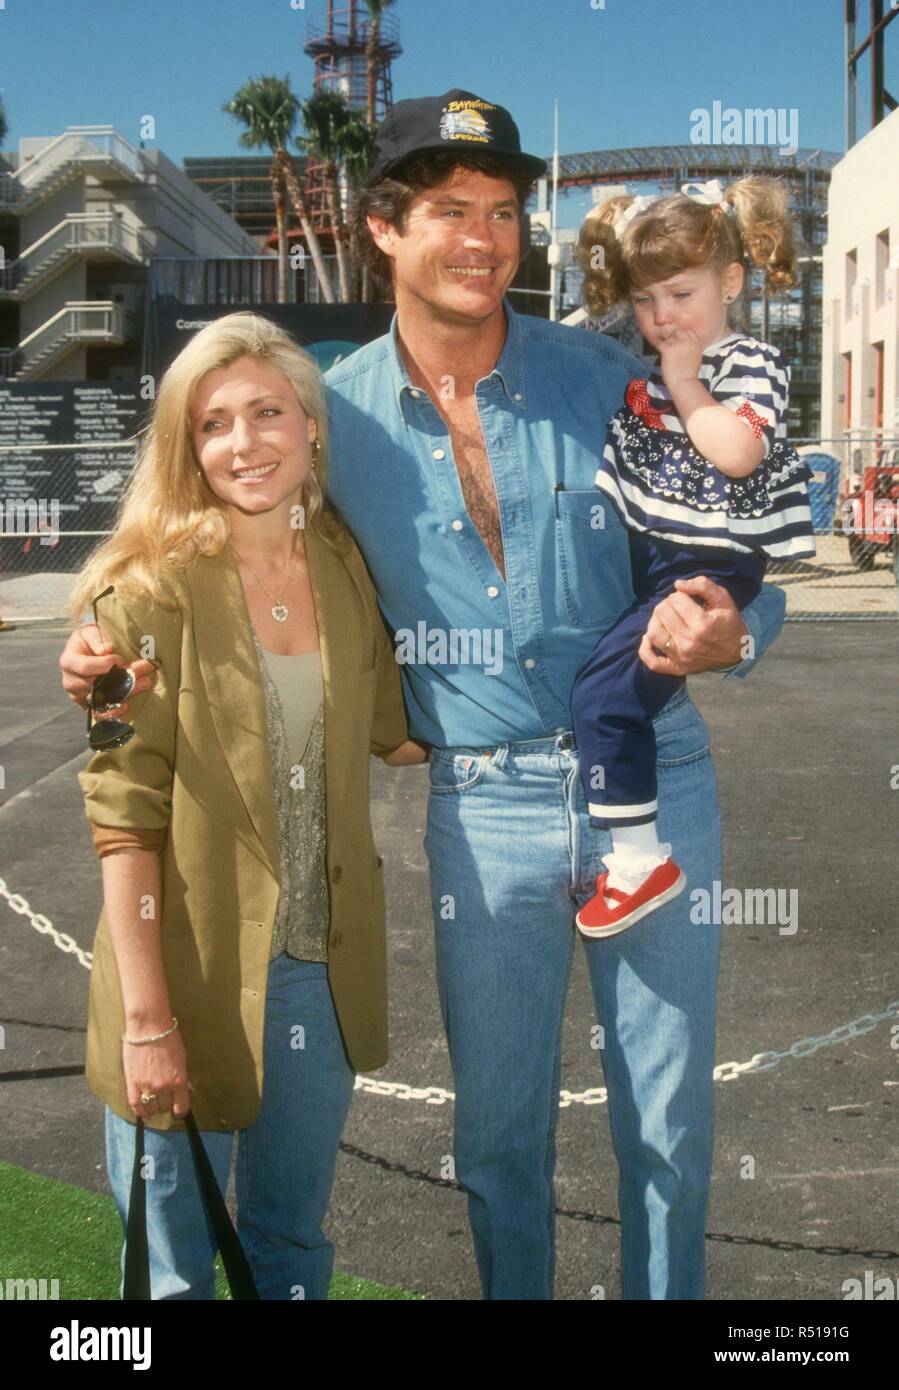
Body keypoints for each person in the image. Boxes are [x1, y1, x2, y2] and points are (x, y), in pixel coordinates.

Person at [61, 89, 787, 1300]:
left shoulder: (612, 378)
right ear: (383, 228)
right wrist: (101, 644)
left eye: (501, 211)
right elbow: (206, 542)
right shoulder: (325, 417)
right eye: (449, 209)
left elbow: (744, 535)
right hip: (484, 810)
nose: (482, 237)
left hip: (654, 786)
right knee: (499, 1140)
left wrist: (735, 633)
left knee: (666, 1129)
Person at [70, 312, 425, 1300]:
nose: (242, 441)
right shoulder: (139, 596)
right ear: (187, 445)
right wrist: (148, 1021)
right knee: (176, 1272)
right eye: (212, 421)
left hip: (317, 970)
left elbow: (401, 731)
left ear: (311, 423)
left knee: (289, 1248)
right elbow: (123, 818)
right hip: (183, 971)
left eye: (267, 410)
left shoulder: (345, 567)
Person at [570, 177, 816, 937]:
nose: (661, 317)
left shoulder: (746, 363)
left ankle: (639, 863)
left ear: (731, 283)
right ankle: (634, 857)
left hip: (707, 563)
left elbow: (737, 451)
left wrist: (680, 382)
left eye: (680, 294)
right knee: (615, 689)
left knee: (605, 697)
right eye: (645, 302)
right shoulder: (651, 371)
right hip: (667, 559)